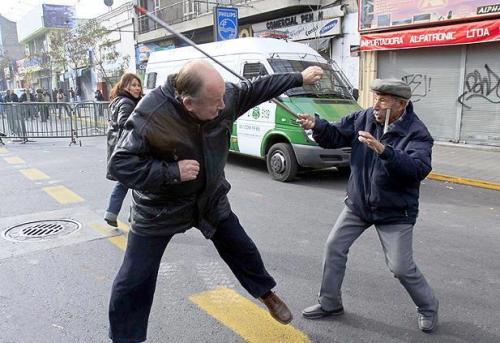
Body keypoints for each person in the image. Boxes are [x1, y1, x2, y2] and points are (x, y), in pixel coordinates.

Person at [107, 60, 323, 342]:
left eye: (223, 97)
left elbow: (257, 88)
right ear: (188, 103)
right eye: (215, 102)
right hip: (161, 208)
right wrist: (171, 172)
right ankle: (125, 338)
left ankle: (265, 293)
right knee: (135, 277)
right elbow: (120, 164)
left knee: (240, 247)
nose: (223, 106)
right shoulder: (151, 113)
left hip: (209, 198)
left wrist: (298, 77)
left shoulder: (222, 97)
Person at [299, 79, 439, 332]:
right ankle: (329, 303)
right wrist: (317, 126)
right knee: (334, 247)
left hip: (395, 211)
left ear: (401, 104)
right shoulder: (363, 118)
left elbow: (417, 169)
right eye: (375, 97)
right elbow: (334, 136)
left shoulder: (417, 133)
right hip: (359, 204)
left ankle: (428, 307)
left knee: (400, 267)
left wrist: (384, 150)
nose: (376, 104)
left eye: (383, 100)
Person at [104, 73, 142, 227]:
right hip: (128, 149)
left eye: (138, 85)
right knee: (140, 183)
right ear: (124, 86)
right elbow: (125, 123)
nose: (137, 88)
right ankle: (135, 217)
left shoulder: (118, 101)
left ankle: (111, 213)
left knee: (125, 183)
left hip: (119, 149)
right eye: (133, 85)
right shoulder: (127, 103)